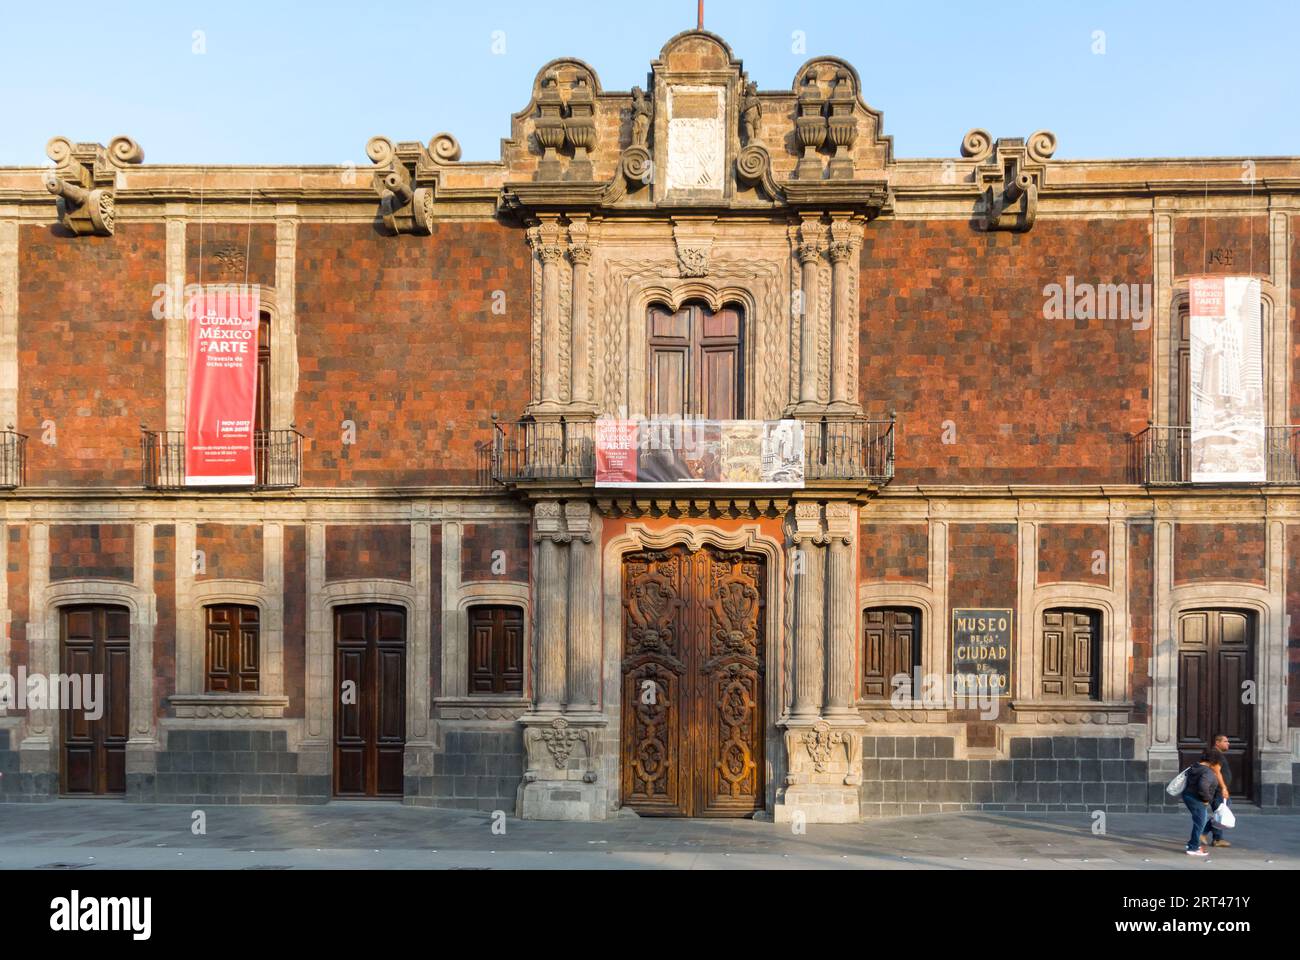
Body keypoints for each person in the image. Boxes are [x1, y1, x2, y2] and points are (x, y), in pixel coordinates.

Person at [1180, 750, 1222, 856]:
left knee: (1199, 821)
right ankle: (1193, 848)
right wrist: (1206, 799)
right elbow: (1203, 787)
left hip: (1188, 795)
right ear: (1213, 761)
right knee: (1200, 822)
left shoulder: (1195, 766)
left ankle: (1193, 844)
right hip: (1197, 799)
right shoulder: (1207, 771)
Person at [1202, 734, 1233, 848]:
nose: (1228, 743)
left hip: (1218, 789)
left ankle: (1217, 838)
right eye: (1225, 741)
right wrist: (1223, 787)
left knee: (1220, 812)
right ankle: (1204, 833)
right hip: (1218, 789)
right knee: (1221, 812)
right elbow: (1216, 771)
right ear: (1217, 742)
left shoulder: (1216, 754)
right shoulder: (1216, 754)